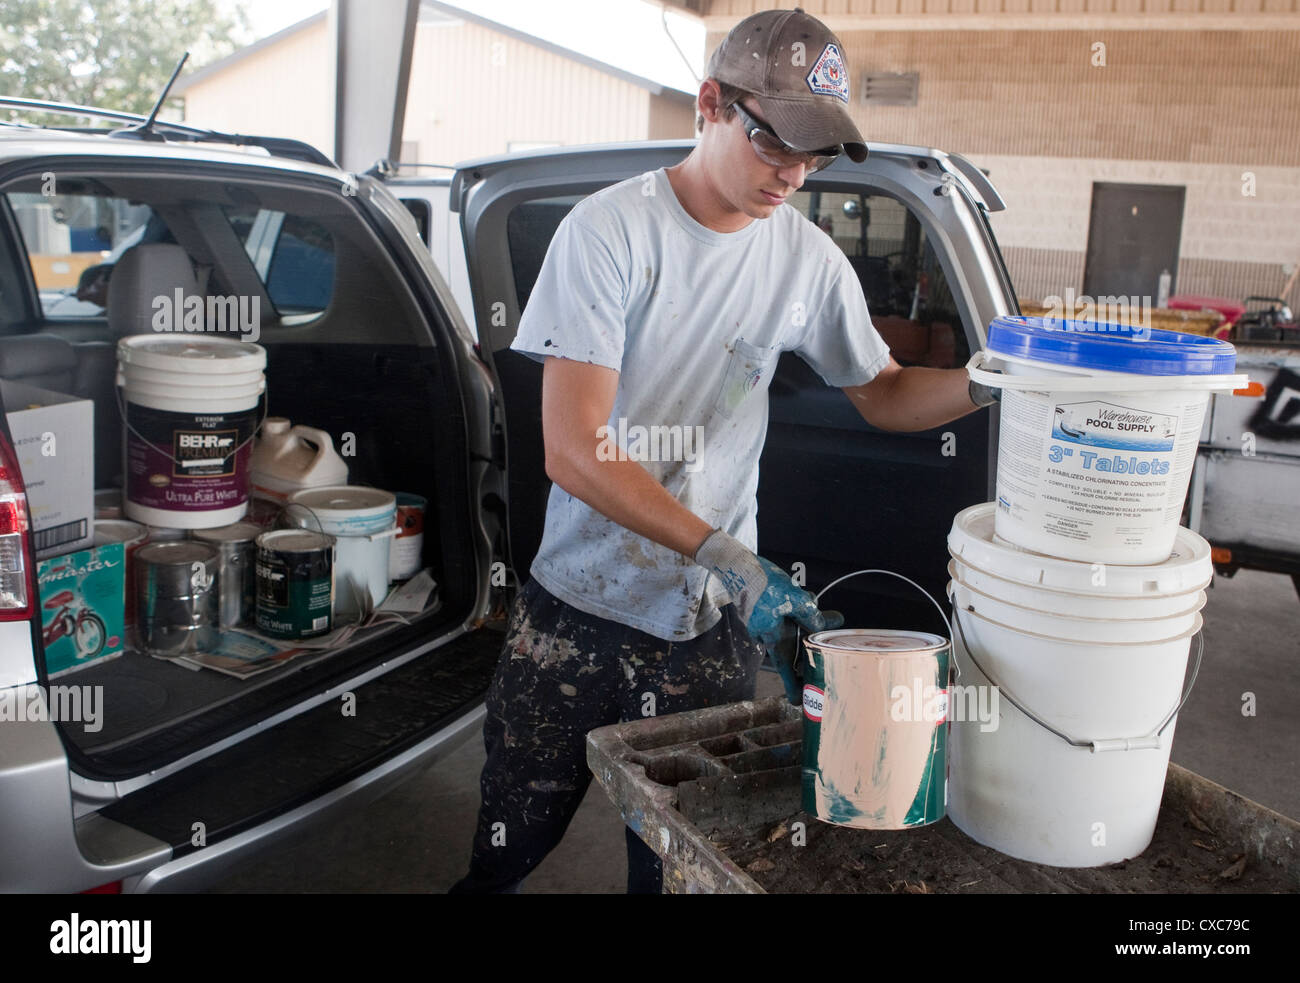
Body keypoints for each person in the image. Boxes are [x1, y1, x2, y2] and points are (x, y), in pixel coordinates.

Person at [450, 7, 998, 895]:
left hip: (707, 632)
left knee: (680, 874)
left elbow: (886, 391)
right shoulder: (610, 233)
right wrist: (729, 552)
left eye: (817, 157)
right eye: (776, 143)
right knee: (508, 851)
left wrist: (993, 379)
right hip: (577, 611)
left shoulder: (809, 263)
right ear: (710, 103)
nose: (794, 175)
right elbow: (575, 451)